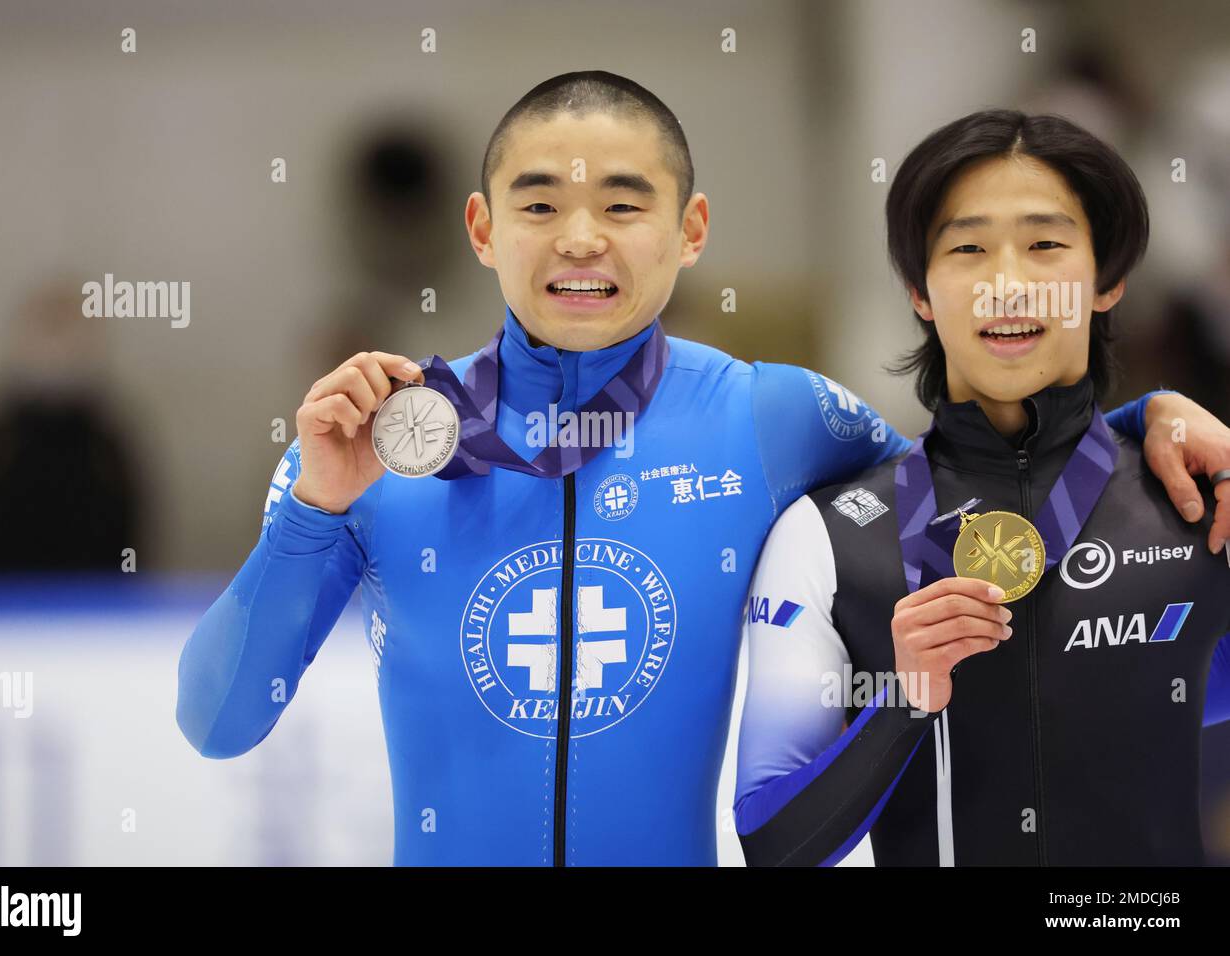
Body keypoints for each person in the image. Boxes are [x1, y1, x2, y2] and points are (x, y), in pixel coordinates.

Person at [176, 75, 1228, 866]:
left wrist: (1141, 425)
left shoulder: (774, 416)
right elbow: (215, 723)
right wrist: (312, 507)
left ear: (690, 232)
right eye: (539, 205)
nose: (581, 239)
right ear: (483, 230)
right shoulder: (382, 441)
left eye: (624, 205)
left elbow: (986, 472)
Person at [734, 109, 1230, 867]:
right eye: (968, 248)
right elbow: (773, 845)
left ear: (1108, 281)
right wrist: (902, 700)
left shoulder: (1200, 505)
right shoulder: (829, 537)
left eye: (1045, 245)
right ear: (920, 291)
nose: (1007, 284)